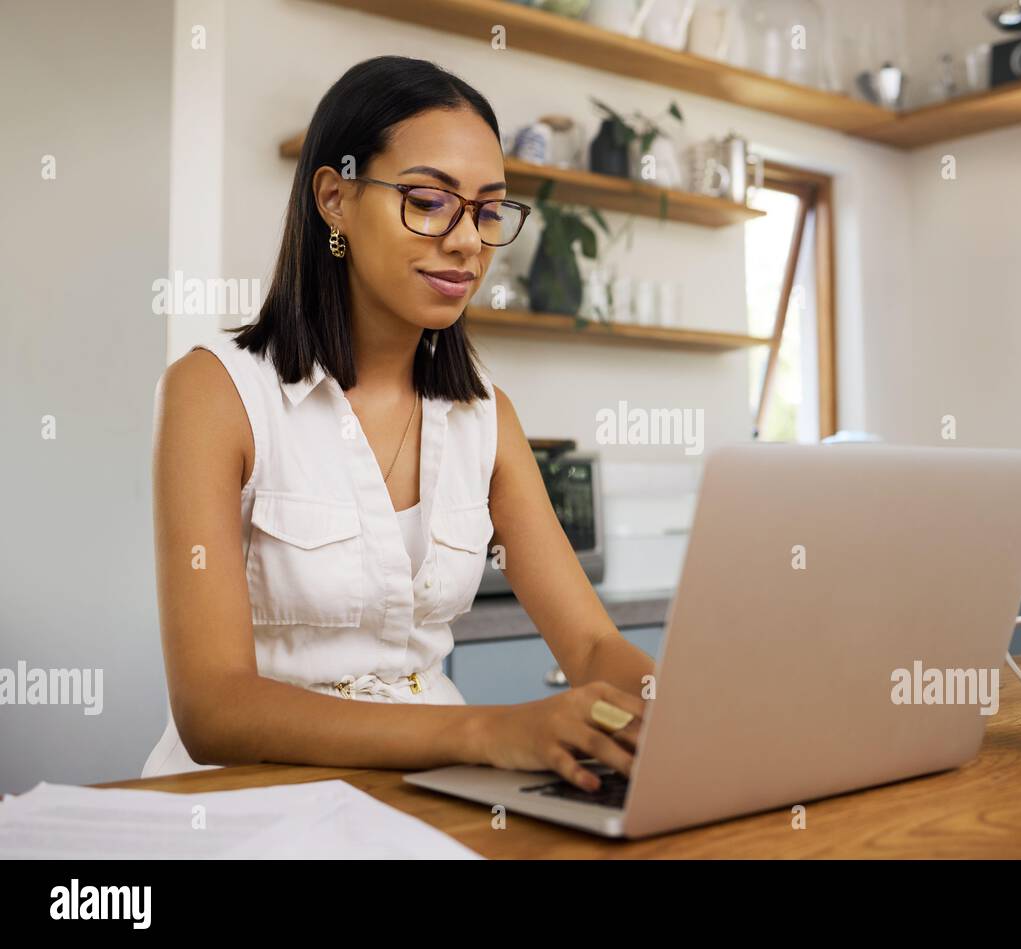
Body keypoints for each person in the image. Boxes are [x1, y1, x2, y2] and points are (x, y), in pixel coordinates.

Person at [144, 56, 653, 792]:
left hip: (432, 794)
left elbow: (595, 642)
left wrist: (665, 708)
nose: (467, 240)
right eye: (427, 200)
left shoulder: (485, 415)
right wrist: (488, 729)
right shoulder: (215, 393)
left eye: (486, 209)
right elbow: (214, 706)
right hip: (247, 805)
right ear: (335, 200)